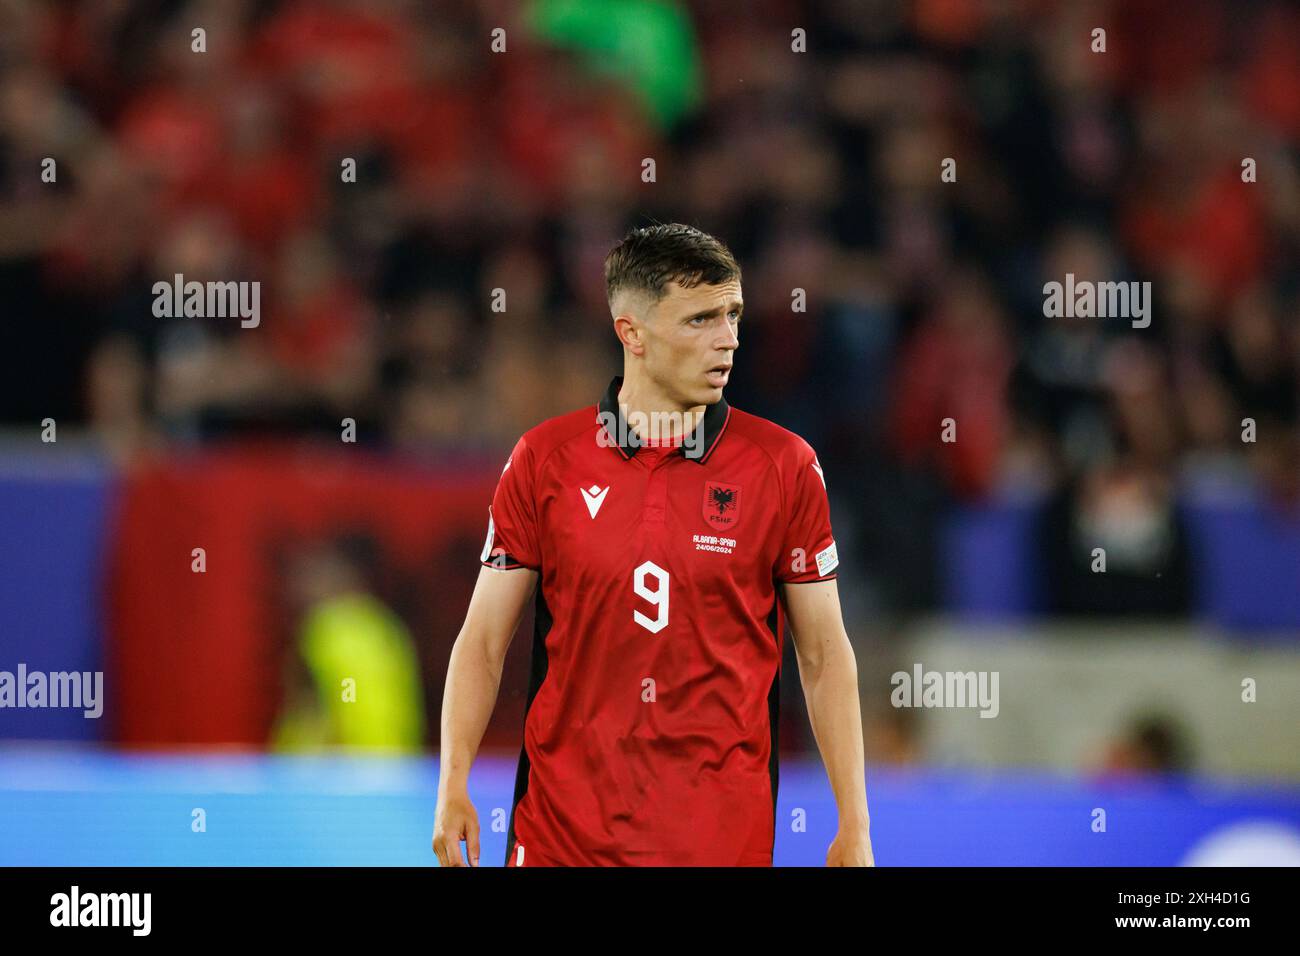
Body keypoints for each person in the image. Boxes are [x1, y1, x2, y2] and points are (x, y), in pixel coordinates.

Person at [432, 223, 873, 866]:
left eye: (733, 315)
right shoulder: (544, 460)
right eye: (699, 320)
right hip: (562, 839)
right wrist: (452, 784)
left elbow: (825, 655)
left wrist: (854, 823)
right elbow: (483, 641)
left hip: (719, 843)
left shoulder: (784, 467)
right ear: (630, 334)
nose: (728, 340)